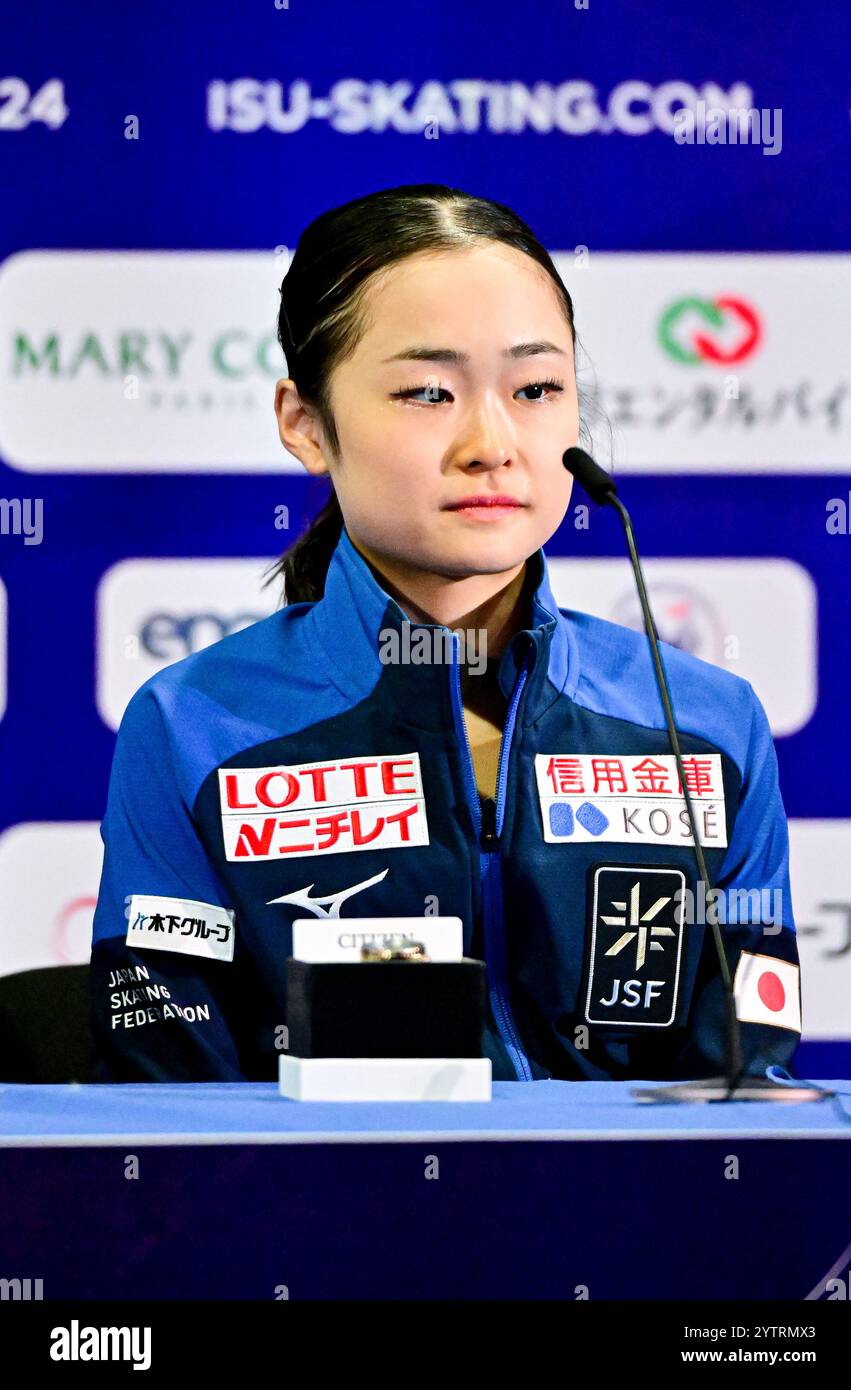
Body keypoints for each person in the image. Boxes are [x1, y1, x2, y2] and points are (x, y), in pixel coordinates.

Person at [89, 183, 801, 1083]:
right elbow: (168, 1110)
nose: (491, 443)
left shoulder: (708, 722)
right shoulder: (193, 726)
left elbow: (745, 1096)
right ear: (305, 425)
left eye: (537, 388)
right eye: (428, 392)